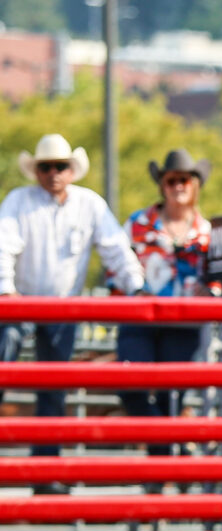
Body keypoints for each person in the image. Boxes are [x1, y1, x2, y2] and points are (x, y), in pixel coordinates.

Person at [0, 133, 144, 490]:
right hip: (19, 303)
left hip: (61, 306)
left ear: (71, 169)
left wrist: (137, 286)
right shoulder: (20, 201)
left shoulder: (88, 204)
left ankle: (45, 472)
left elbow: (115, 248)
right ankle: (42, 472)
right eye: (45, 167)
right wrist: (6, 290)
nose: (53, 173)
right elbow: (4, 244)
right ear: (36, 171)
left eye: (59, 166)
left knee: (54, 388)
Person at [117, 149, 218, 477]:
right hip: (140, 318)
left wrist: (211, 290)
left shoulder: (208, 231)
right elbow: (116, 265)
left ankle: (163, 468)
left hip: (186, 322)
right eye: (172, 180)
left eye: (185, 180)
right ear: (162, 185)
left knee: (173, 393)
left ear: (195, 185)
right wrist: (133, 289)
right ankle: (170, 453)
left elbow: (220, 277)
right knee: (130, 382)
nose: (178, 186)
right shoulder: (136, 223)